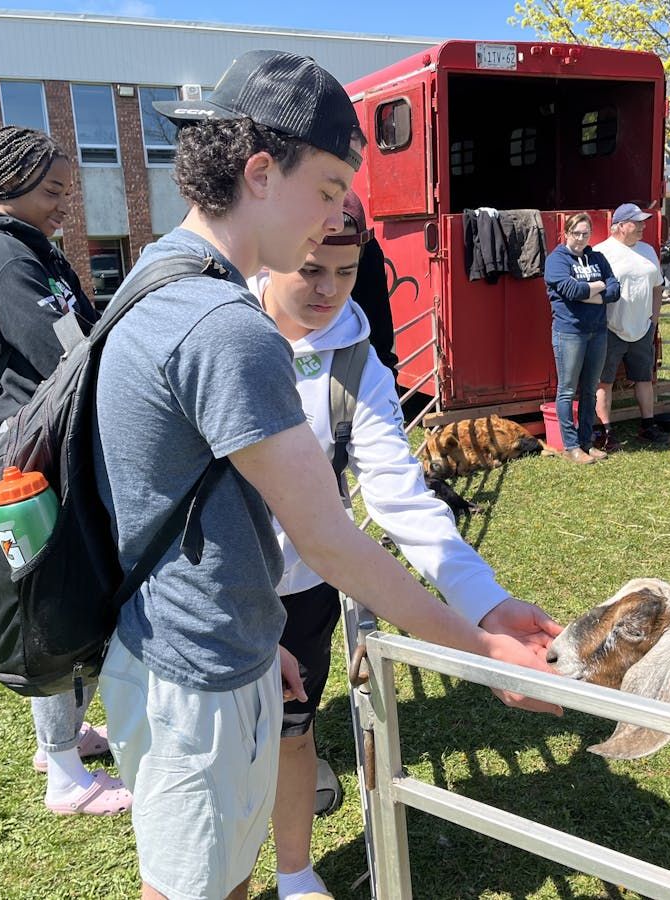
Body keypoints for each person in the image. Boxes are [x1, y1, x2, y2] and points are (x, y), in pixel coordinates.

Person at [91, 50, 560, 900]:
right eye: (331, 185)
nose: (339, 213)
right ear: (261, 172)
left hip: (190, 644)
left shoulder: (159, 277)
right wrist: (484, 648)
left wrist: (251, 627)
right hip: (196, 669)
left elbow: (180, 502)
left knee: (213, 878)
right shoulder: (225, 328)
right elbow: (329, 540)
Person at [251, 188, 562, 900]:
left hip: (301, 585)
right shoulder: (219, 332)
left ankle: (294, 870)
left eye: (347, 270)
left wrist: (484, 603)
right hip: (210, 590)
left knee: (292, 731)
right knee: (217, 756)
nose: (330, 290)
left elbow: (397, 492)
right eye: (310, 271)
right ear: (268, 252)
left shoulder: (357, 359)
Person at [0, 126, 130, 817]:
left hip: (41, 452)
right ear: (11, 182)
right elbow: (65, 356)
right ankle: (65, 780)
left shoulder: (17, 246)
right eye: (53, 191)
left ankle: (67, 738)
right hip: (25, 465)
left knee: (63, 595)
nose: (63, 205)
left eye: (66, 191)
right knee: (51, 605)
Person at [543, 211, 621, 464]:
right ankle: (571, 446)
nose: (580, 238)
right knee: (566, 390)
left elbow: (615, 289)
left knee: (590, 389)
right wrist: (598, 286)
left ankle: (587, 442)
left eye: (585, 233)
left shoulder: (597, 257)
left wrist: (590, 290)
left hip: (597, 331)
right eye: (576, 233)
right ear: (566, 233)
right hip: (570, 332)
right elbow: (571, 290)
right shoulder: (557, 260)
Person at [592, 203, 668, 451]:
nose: (643, 227)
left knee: (644, 378)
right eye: (637, 223)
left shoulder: (648, 251)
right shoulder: (601, 252)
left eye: (643, 222)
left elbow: (658, 287)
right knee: (605, 381)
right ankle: (605, 432)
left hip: (642, 327)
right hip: (610, 328)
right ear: (620, 226)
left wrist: (653, 319)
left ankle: (648, 425)